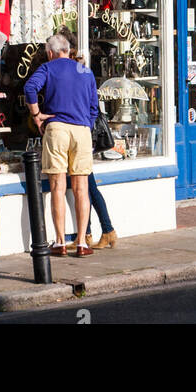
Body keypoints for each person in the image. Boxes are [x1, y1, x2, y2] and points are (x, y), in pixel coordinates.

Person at [25, 32, 98, 257]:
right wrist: (86, 124)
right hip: (82, 130)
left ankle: (60, 243)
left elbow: (29, 88)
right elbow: (94, 107)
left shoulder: (48, 68)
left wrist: (37, 115)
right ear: (67, 50)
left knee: (57, 187)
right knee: (81, 188)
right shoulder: (85, 71)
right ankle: (82, 243)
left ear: (50, 53)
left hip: (57, 128)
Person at [57, 26, 118, 251]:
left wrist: (87, 123)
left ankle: (106, 230)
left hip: (80, 134)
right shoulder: (79, 70)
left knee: (87, 186)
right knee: (83, 186)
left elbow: (90, 103)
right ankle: (91, 233)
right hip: (81, 132)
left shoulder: (78, 71)